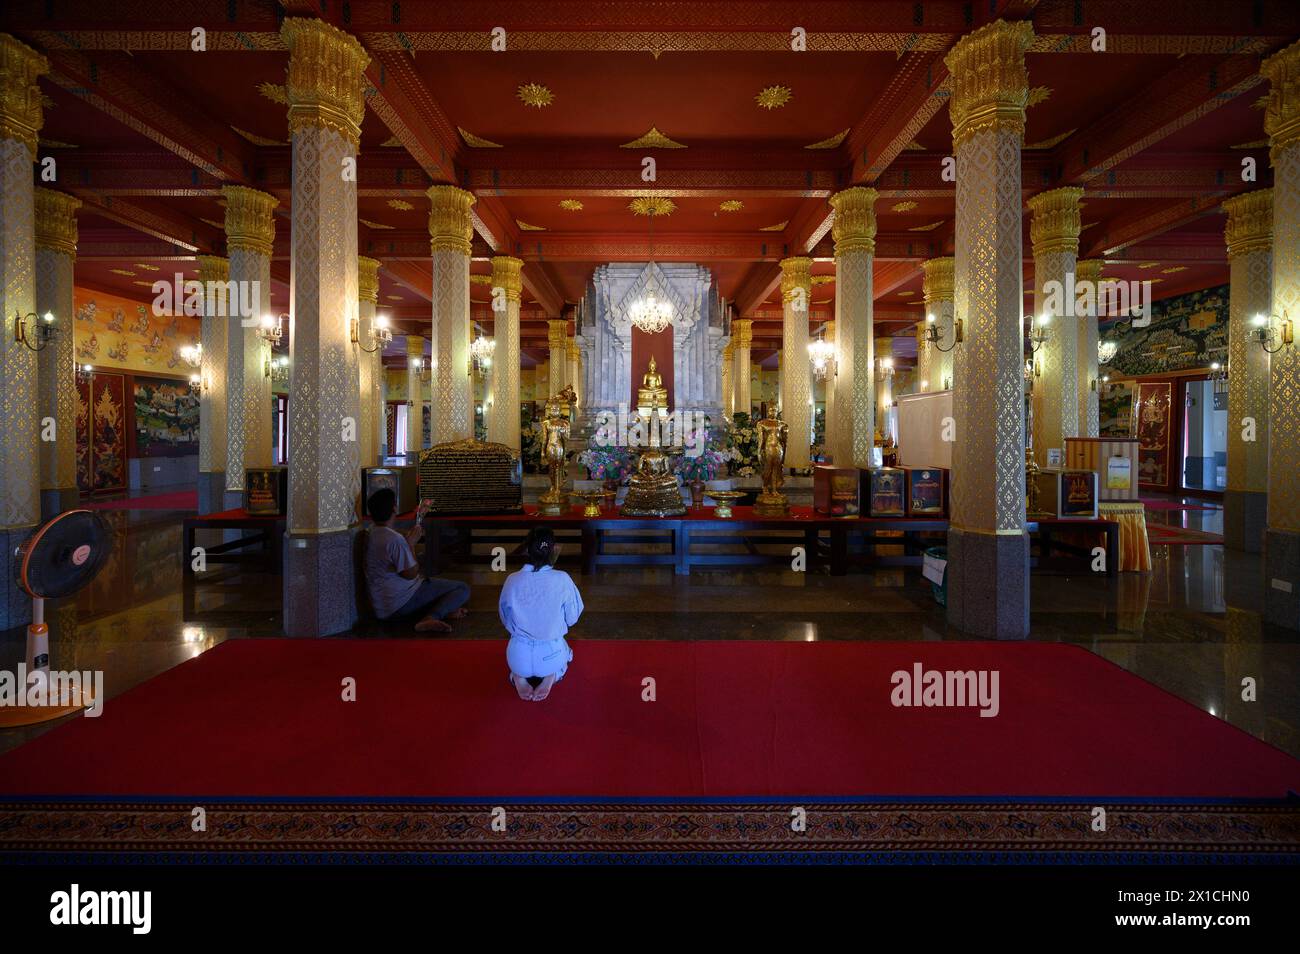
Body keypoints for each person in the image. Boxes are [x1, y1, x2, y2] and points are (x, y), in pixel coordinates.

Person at [363, 488, 469, 633]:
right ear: (394, 508)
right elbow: (411, 573)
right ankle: (431, 617)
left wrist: (407, 541)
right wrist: (411, 545)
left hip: (382, 604)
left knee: (437, 586)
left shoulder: (372, 532)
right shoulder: (394, 540)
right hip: (399, 603)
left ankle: (444, 611)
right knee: (462, 588)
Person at [499, 528, 584, 701]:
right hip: (550, 654)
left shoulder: (512, 579)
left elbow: (506, 618)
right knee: (565, 650)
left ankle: (518, 676)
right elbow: (572, 618)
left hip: (517, 655)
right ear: (554, 550)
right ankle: (552, 675)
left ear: (527, 550)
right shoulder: (562, 578)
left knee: (519, 641)